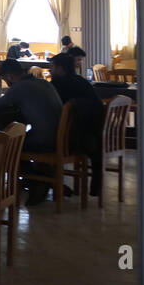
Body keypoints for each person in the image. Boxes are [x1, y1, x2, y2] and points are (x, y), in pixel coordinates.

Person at [0, 59, 63, 204]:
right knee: (20, 139)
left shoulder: (19, 87)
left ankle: (35, 180)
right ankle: (42, 179)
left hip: (45, 141)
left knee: (7, 147)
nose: (6, 82)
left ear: (9, 76)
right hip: (62, 138)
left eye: (4, 79)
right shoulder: (43, 83)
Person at [48, 52, 104, 197]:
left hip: (69, 142)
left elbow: (49, 112)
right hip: (91, 140)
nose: (49, 70)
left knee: (33, 141)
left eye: (52, 67)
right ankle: (50, 182)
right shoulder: (82, 82)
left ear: (60, 69)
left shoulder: (56, 85)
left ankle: (45, 182)